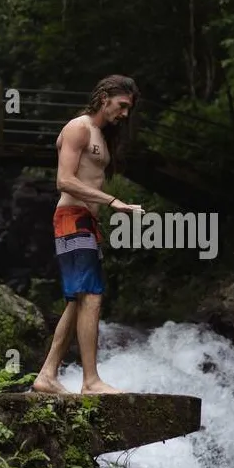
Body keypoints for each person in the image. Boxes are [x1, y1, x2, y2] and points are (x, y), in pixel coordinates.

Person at [32, 75, 143, 395]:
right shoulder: (78, 128)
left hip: (85, 221)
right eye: (122, 106)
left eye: (128, 109)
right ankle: (90, 381)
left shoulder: (100, 135)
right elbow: (64, 180)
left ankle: (47, 375)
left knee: (79, 299)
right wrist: (112, 201)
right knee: (92, 295)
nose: (124, 114)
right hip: (71, 218)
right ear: (105, 97)